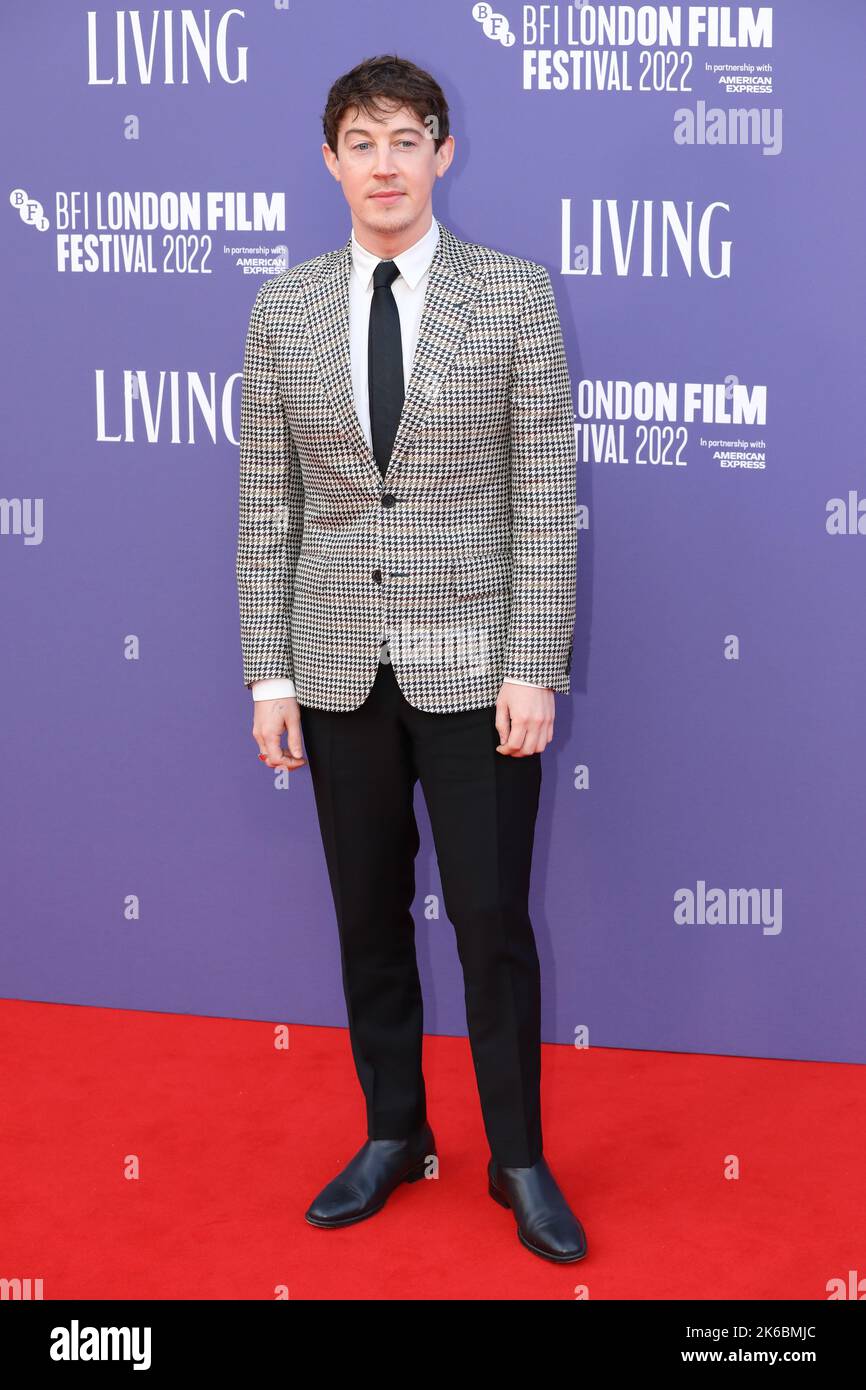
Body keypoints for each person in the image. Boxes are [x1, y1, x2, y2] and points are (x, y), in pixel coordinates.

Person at [236, 53, 585, 1263]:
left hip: (480, 667)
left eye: (406, 137)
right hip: (334, 670)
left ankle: (517, 1157)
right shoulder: (280, 309)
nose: (384, 162)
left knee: (490, 921)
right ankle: (394, 1133)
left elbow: (544, 498)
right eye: (361, 140)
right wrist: (268, 674)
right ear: (329, 159)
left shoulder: (514, 296)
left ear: (441, 151)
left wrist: (533, 660)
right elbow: (266, 507)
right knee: (366, 916)